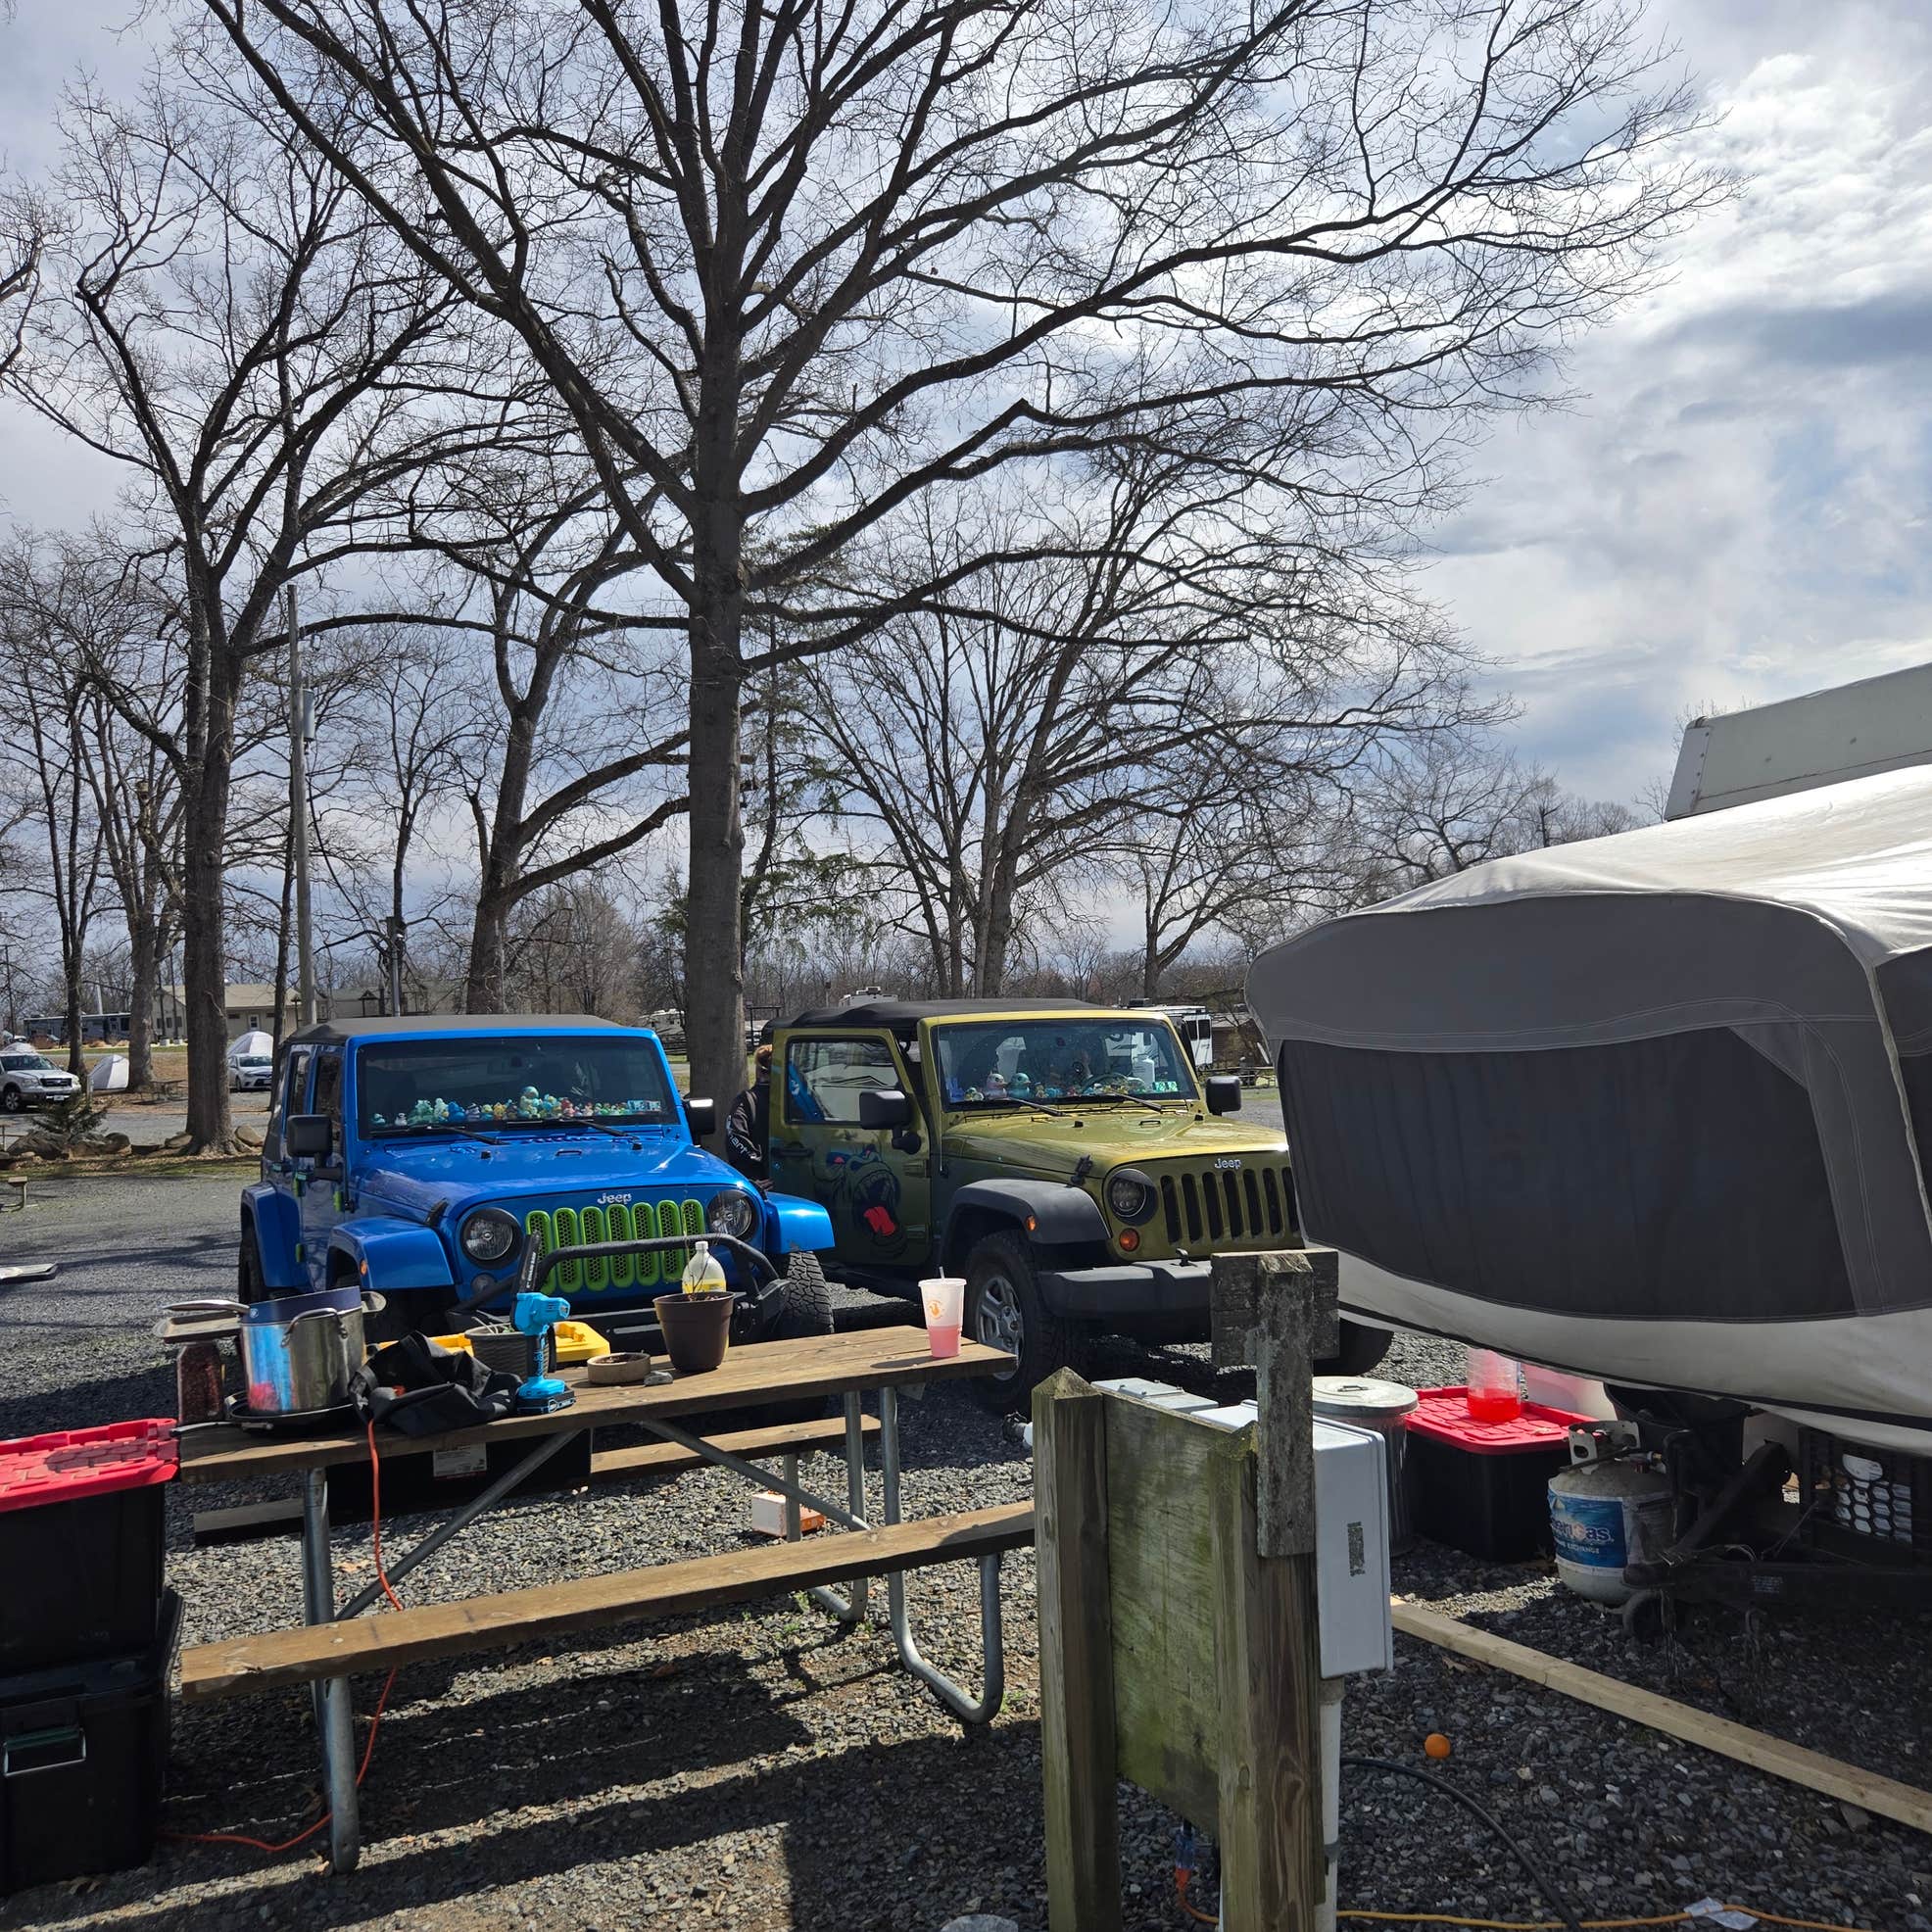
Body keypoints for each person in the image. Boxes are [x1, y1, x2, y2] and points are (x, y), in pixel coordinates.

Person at [726, 1043, 773, 1181]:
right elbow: (735, 1135)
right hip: (766, 1178)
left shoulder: (746, 1100)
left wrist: (754, 1176)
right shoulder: (747, 1100)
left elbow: (734, 1135)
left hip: (762, 1179)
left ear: (758, 1070)